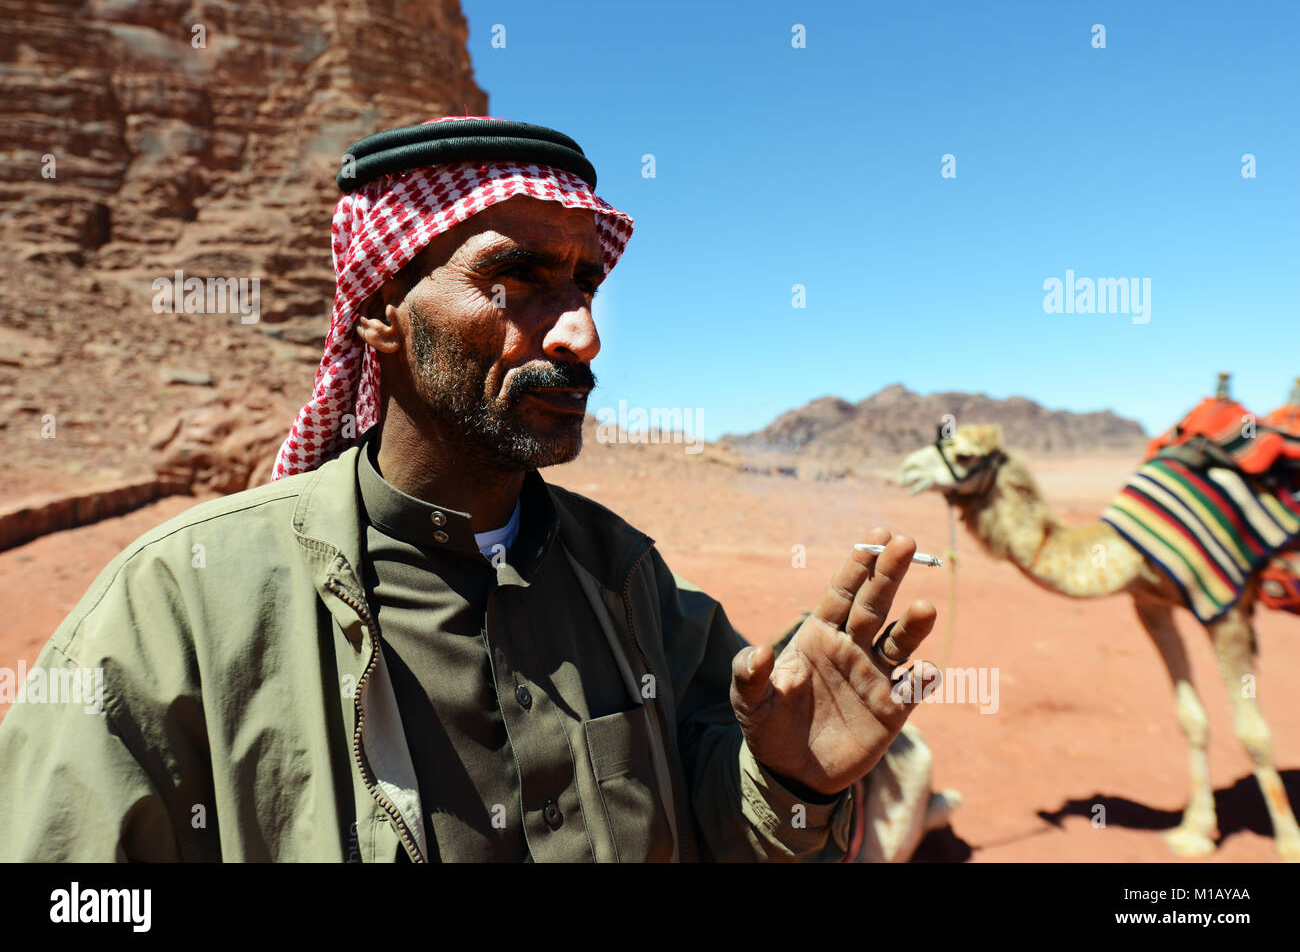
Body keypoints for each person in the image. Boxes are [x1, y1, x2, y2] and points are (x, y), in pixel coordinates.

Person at [0, 117, 938, 862]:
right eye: (518, 279)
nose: (581, 335)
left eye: (583, 283)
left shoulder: (627, 582)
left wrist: (796, 784)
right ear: (378, 314)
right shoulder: (181, 605)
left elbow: (722, 827)